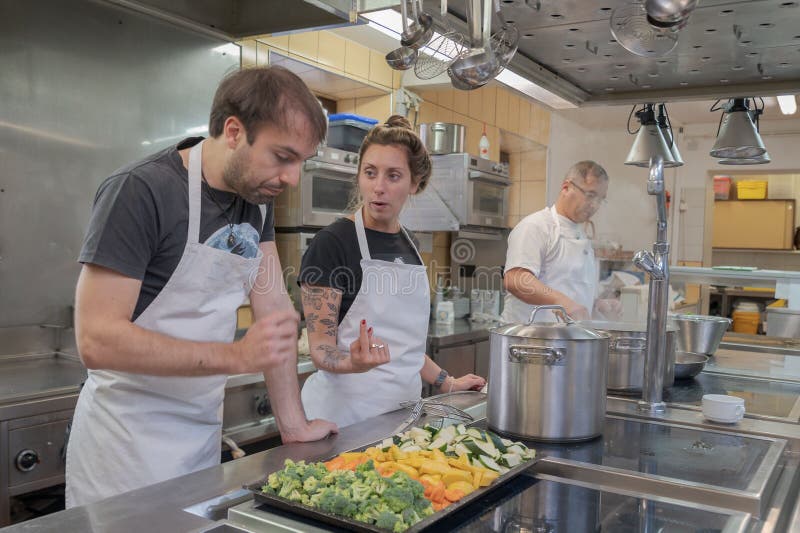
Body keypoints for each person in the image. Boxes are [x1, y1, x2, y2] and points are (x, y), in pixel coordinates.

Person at [66, 66, 337, 508]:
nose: (291, 178)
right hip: (122, 451)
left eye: (301, 162)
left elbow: (273, 310)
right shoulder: (141, 191)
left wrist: (294, 426)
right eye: (282, 157)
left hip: (199, 444)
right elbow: (97, 340)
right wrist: (236, 356)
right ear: (234, 132)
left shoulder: (257, 202)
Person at [297, 115, 485, 428]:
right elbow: (320, 349)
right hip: (341, 422)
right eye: (370, 173)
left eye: (393, 176)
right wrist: (352, 362)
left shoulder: (410, 245)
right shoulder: (332, 243)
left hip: (401, 419)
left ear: (414, 183)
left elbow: (404, 346)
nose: (379, 187)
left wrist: (447, 382)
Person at [501, 160, 621, 324]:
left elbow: (571, 292)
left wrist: (596, 304)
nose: (594, 205)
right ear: (566, 188)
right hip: (529, 336)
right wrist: (562, 302)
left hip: (567, 337)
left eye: (600, 199)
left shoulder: (582, 236)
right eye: (590, 195)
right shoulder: (536, 226)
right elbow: (516, 280)